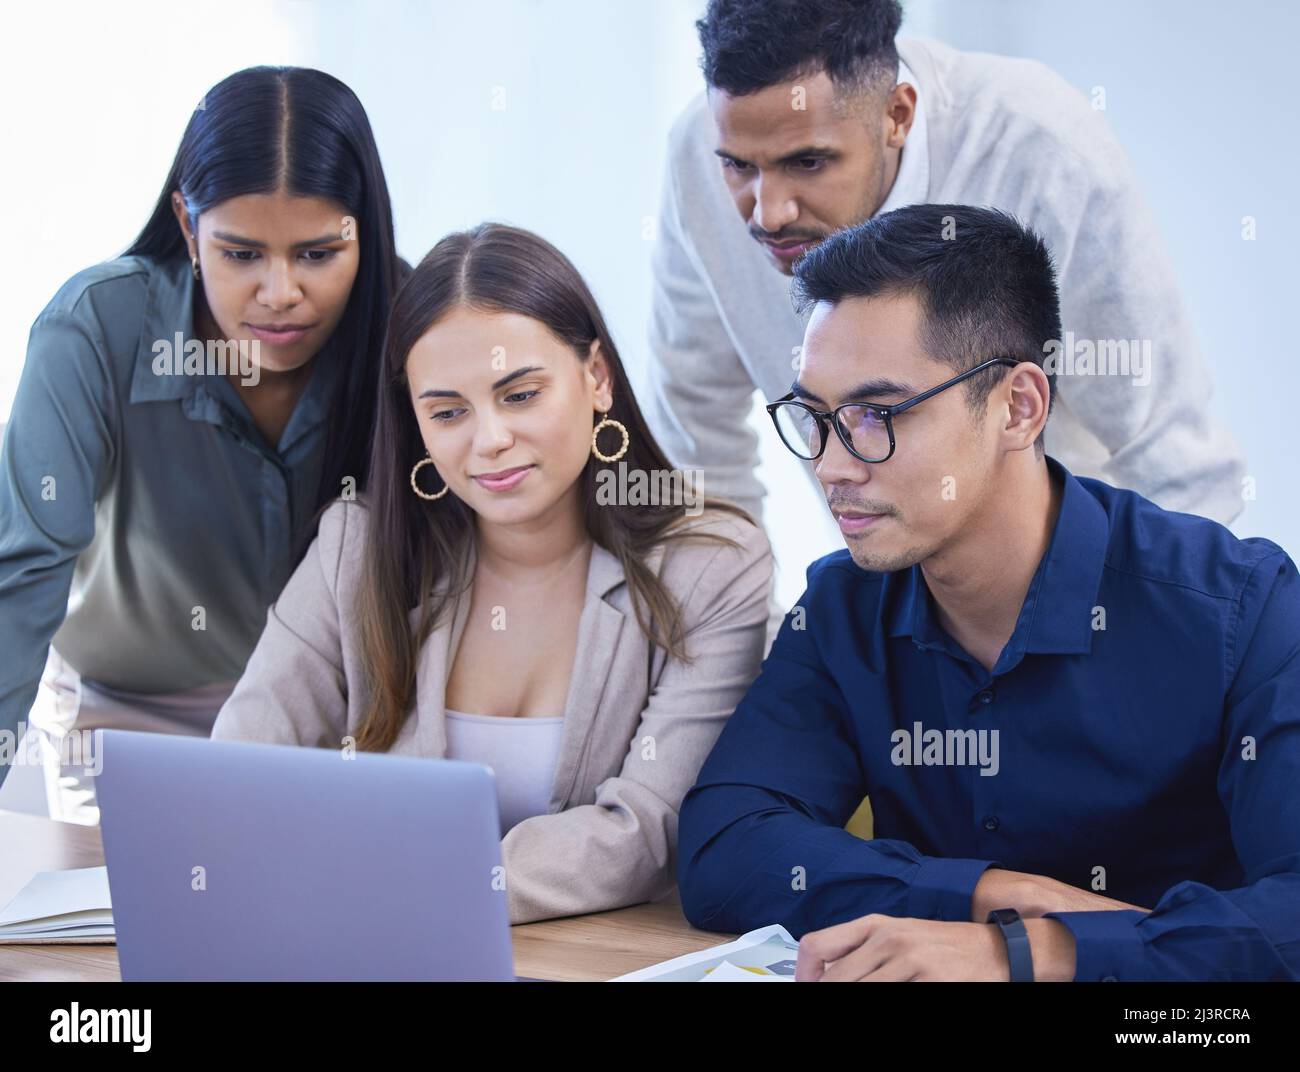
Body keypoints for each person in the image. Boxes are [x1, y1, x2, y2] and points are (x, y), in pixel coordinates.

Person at [677, 204, 1300, 981]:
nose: (831, 466)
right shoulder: (844, 606)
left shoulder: (1240, 604)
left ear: (1019, 406)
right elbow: (725, 841)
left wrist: (1030, 953)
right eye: (815, 417)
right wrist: (994, 895)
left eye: (876, 416)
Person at [212, 223, 774, 924]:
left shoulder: (711, 566)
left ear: (595, 377)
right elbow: (240, 770)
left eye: (519, 395)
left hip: (597, 967)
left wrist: (411, 886)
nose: (489, 440)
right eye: (447, 411)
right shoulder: (355, 547)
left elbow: (646, 830)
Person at [644, 0, 1246, 554]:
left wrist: (1153, 647)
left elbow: (1171, 454)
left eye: (808, 162)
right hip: (886, 603)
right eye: (739, 167)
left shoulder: (1046, 150)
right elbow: (696, 438)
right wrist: (736, 641)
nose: (769, 212)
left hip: (1081, 589)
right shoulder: (695, 153)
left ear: (896, 114)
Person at [0, 66, 405, 823]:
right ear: (188, 227)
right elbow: (17, 578)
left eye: (318, 254)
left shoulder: (415, 331)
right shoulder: (92, 330)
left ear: (364, 236)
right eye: (241, 253)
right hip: (132, 722)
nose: (281, 292)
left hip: (351, 728)